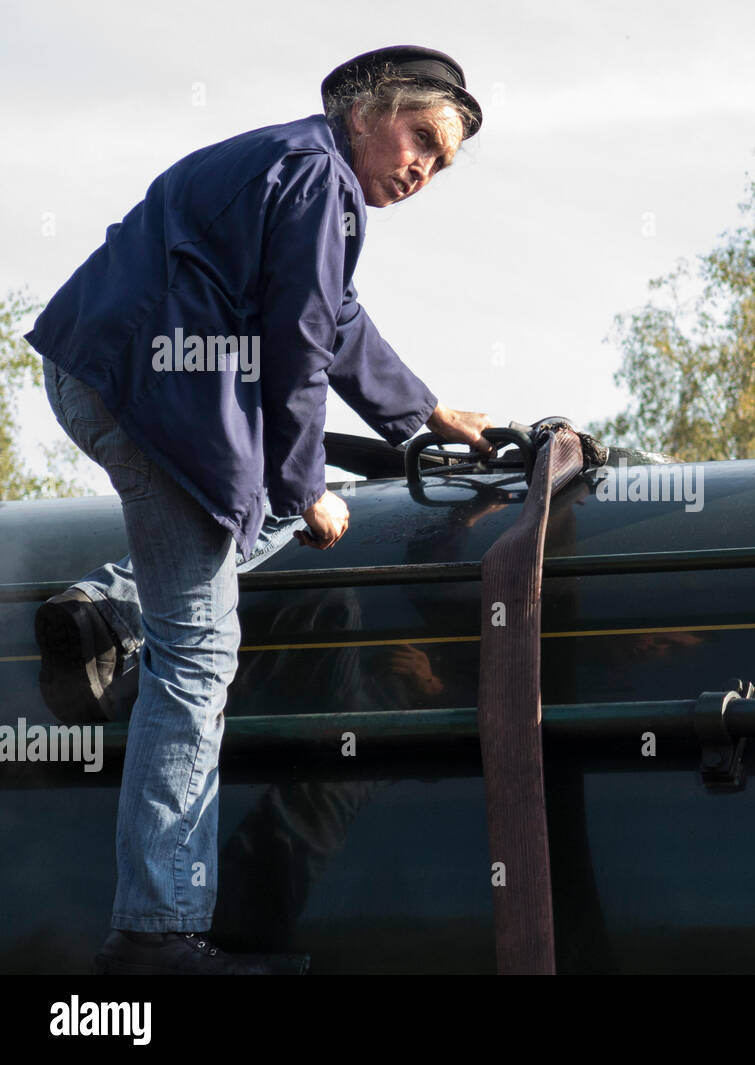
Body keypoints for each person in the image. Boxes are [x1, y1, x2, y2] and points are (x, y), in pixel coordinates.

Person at [25, 45, 493, 974]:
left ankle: (113, 611)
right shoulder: (321, 180)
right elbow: (302, 338)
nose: (422, 171)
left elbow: (337, 317)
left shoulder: (298, 168)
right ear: (367, 111)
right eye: (420, 142)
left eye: (440, 165)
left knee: (257, 514)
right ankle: (156, 932)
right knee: (199, 657)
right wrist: (305, 480)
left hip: (113, 375)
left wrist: (425, 412)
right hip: (147, 393)